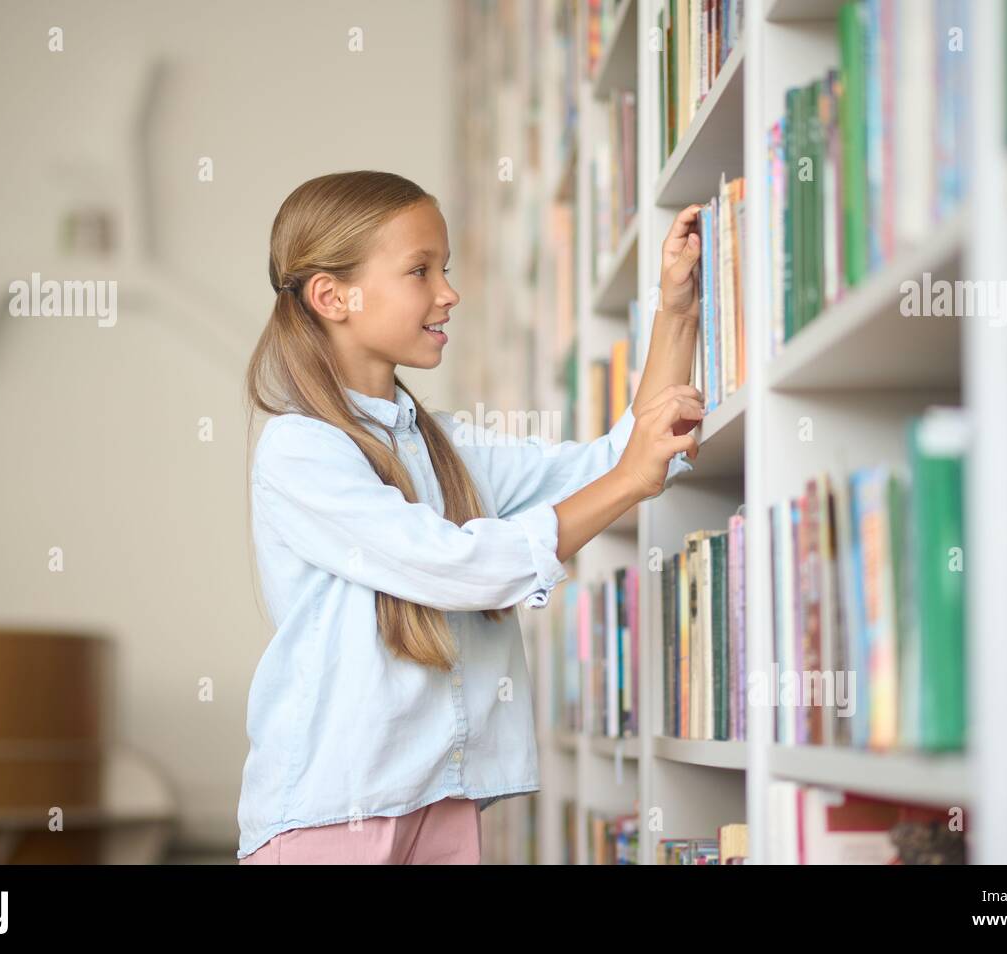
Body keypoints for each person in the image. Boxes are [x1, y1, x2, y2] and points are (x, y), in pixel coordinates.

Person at [237, 170, 704, 864]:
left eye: (445, 268)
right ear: (333, 296)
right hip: (333, 812)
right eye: (420, 271)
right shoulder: (299, 449)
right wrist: (629, 479)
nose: (448, 293)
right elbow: (455, 565)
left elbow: (619, 459)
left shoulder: (447, 445)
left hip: (445, 802)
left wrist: (678, 311)